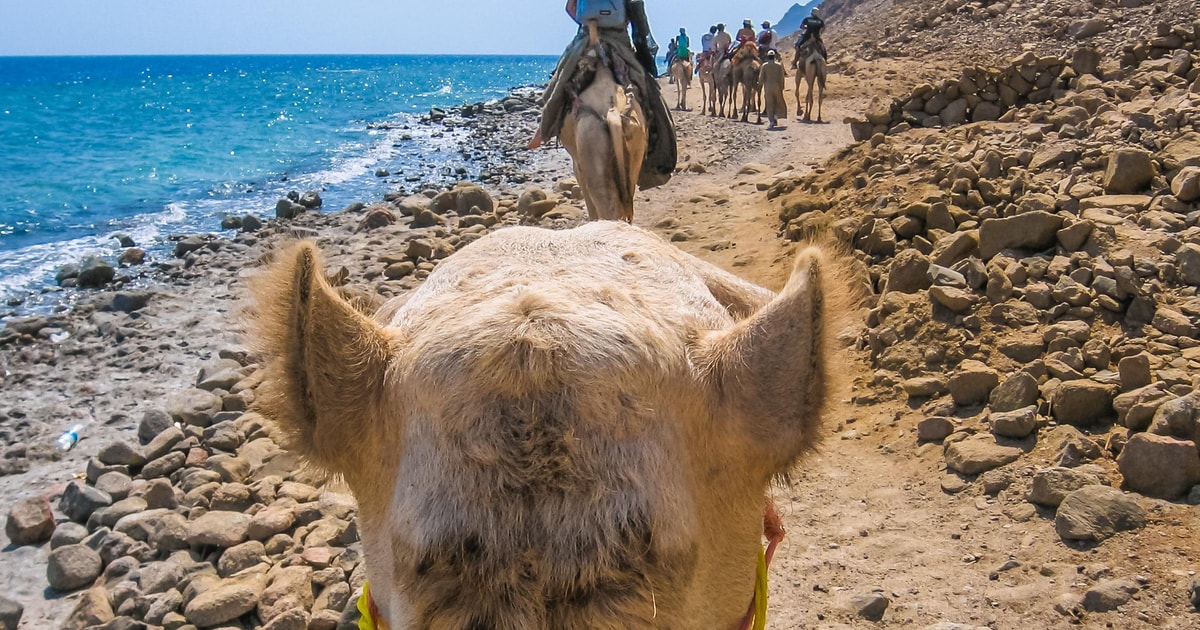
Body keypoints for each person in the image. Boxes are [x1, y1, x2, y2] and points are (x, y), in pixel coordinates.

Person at [531, 0, 676, 187]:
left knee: (559, 81)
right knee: (651, 94)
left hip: (585, 42)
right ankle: (659, 156)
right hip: (619, 43)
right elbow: (639, 20)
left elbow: (570, 8)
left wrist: (588, 23)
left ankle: (543, 129)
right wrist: (644, 54)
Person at [758, 49, 787, 128]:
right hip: (777, 86)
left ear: (768, 57)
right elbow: (782, 77)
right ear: (774, 57)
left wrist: (759, 84)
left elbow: (761, 77)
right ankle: (776, 116)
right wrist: (782, 86)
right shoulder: (779, 65)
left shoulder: (764, 65)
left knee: (769, 103)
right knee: (778, 102)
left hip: (768, 87)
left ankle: (771, 121)